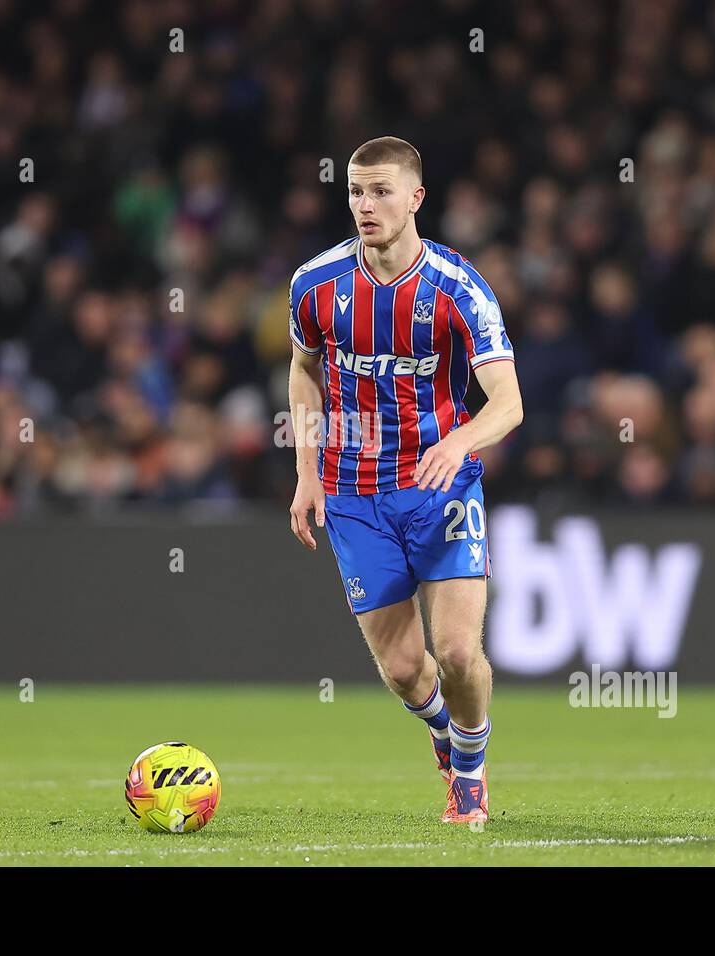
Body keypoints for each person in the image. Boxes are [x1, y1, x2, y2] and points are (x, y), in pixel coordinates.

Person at [286, 136, 522, 823]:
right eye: (357, 191)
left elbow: (508, 403)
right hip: (354, 493)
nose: (366, 205)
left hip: (440, 486)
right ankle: (443, 735)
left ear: (416, 198)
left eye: (382, 191)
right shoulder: (315, 283)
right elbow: (303, 371)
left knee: (454, 650)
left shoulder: (457, 286)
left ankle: (469, 771)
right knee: (403, 670)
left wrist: (461, 439)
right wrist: (306, 472)